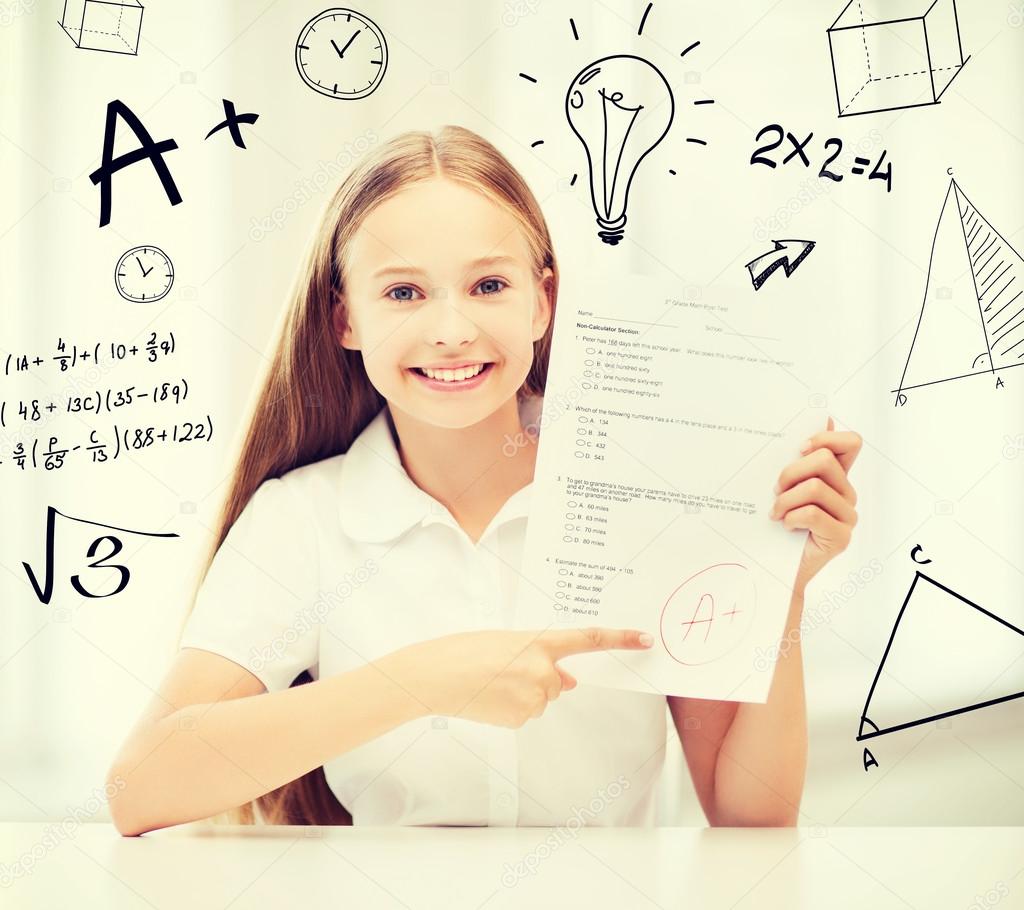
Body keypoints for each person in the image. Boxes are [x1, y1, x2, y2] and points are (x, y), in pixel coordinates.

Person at [106, 125, 862, 837]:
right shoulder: (300, 519)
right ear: (345, 320)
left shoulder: (646, 487)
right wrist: (420, 681)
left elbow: (750, 817)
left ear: (543, 302)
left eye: (489, 285)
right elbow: (141, 787)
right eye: (404, 293)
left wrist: (782, 588)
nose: (452, 332)